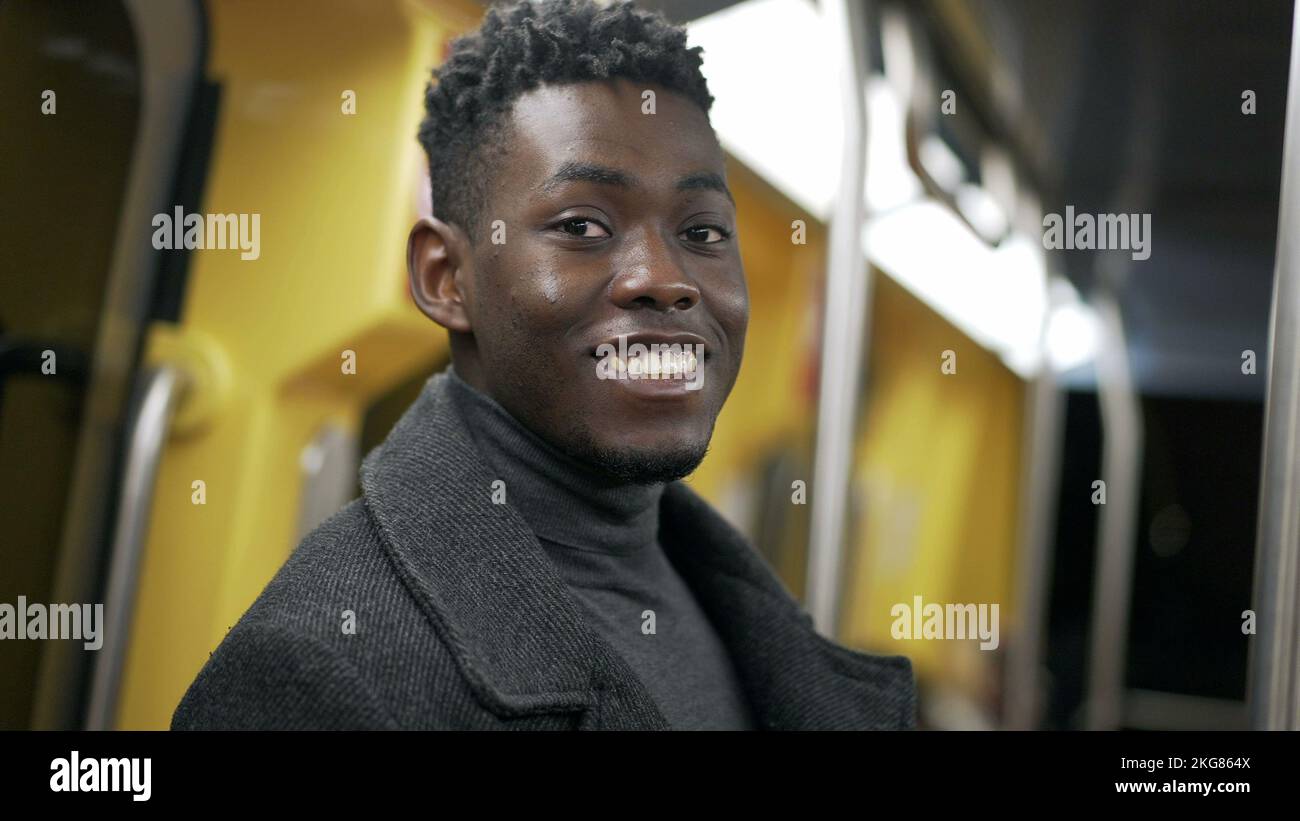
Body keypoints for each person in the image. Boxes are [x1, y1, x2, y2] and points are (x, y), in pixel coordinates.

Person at [172, 0, 915, 730]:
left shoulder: (726, 605)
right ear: (445, 277)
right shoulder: (321, 671)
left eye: (702, 230)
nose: (665, 277)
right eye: (582, 225)